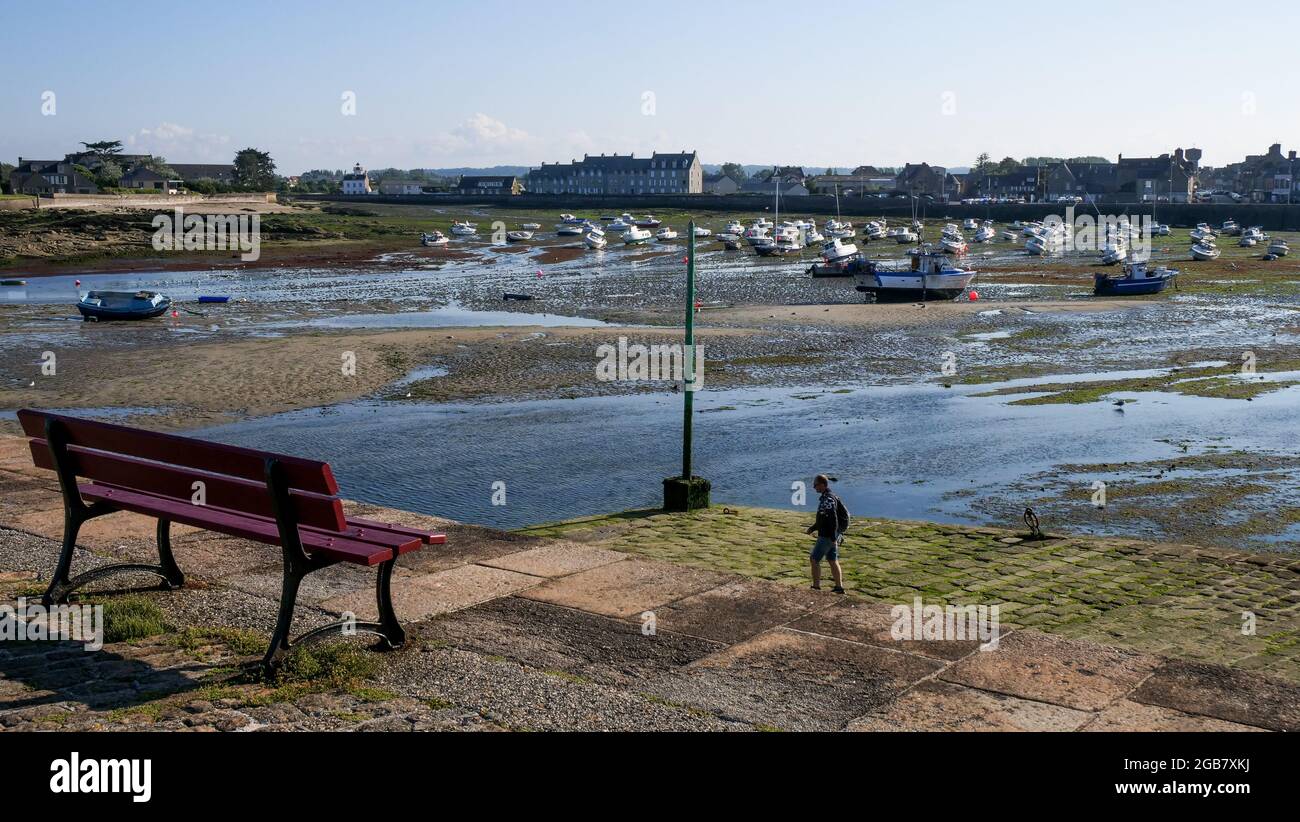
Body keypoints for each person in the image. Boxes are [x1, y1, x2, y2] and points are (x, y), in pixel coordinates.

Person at [805, 474, 847, 593]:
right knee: (832, 560)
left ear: (823, 485)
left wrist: (833, 537)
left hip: (827, 535)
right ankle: (839, 587)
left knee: (814, 559)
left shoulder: (828, 499)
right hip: (832, 534)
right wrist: (813, 528)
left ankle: (816, 586)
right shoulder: (828, 497)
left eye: (815, 485)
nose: (814, 487)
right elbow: (823, 518)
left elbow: (832, 518)